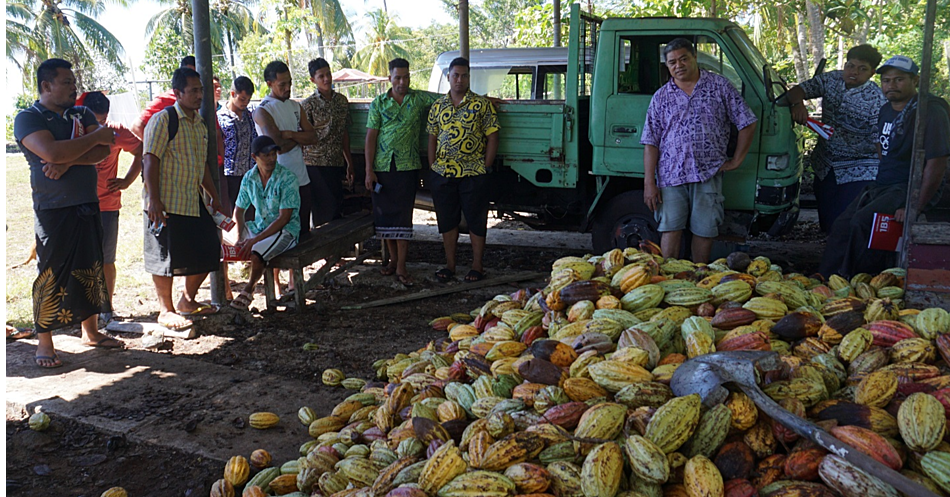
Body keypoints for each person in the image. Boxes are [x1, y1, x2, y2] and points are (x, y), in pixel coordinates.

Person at [14, 58, 123, 368]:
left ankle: (91, 332)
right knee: (52, 273)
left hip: (87, 202)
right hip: (53, 207)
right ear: (46, 86)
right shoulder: (28, 117)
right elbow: (52, 152)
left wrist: (69, 161)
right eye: (67, 83)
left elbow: (105, 150)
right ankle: (45, 342)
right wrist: (87, 142)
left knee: (90, 268)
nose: (74, 88)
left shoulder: (82, 112)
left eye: (74, 83)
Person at [819, 55, 950, 277]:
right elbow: (882, 147)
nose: (891, 86)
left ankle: (857, 281)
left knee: (863, 223)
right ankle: (825, 277)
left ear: (915, 80)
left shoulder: (930, 112)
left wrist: (915, 205)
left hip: (907, 186)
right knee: (842, 224)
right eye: (886, 80)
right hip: (883, 184)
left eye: (899, 80)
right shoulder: (886, 110)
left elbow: (937, 164)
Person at [641, 38, 758, 263]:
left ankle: (699, 278)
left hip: (708, 173)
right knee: (670, 228)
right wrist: (649, 183)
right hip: (671, 176)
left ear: (695, 57)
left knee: (704, 230)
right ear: (667, 66)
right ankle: (668, 277)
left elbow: (747, 121)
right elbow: (651, 142)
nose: (678, 65)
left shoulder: (719, 86)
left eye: (684, 59)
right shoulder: (661, 97)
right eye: (672, 62)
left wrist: (736, 161)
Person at [142, 67, 225, 331]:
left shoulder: (200, 123)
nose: (199, 95)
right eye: (194, 91)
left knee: (211, 250)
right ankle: (165, 310)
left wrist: (214, 196)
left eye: (201, 90)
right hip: (166, 200)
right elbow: (150, 159)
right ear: (178, 93)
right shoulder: (163, 120)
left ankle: (187, 300)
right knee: (163, 256)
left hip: (193, 198)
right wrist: (153, 200)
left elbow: (202, 167)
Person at [785, 44, 887, 232]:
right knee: (828, 220)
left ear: (872, 73)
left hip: (859, 168)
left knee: (848, 222)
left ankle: (848, 259)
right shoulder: (831, 79)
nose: (854, 72)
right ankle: (829, 256)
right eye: (850, 66)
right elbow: (797, 91)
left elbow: (878, 142)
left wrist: (887, 176)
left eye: (862, 69)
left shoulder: (877, 99)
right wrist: (798, 103)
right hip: (826, 164)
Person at [365, 58, 442, 286]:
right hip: (382, 168)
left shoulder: (418, 99)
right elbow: (371, 137)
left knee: (403, 218)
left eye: (406, 77)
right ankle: (392, 260)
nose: (402, 82)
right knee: (386, 219)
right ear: (389, 78)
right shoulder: (378, 103)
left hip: (407, 168)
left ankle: (401, 266)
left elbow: (447, 99)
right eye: (397, 77)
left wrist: (481, 100)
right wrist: (369, 170)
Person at [427, 57, 500, 283]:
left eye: (464, 75)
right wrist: (433, 166)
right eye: (455, 75)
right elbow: (431, 137)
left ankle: (477, 266)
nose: (459, 79)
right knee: (447, 221)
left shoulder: (481, 105)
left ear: (469, 77)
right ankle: (450, 265)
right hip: (443, 174)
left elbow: (493, 136)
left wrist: (485, 166)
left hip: (473, 174)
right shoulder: (438, 106)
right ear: (448, 77)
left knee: (476, 221)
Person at [82, 91, 144, 325]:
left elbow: (140, 151)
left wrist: (127, 181)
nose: (99, 125)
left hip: (107, 205)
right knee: (82, 259)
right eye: (94, 120)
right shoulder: (73, 131)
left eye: (102, 120)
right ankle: (83, 310)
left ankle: (106, 307)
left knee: (106, 259)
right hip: (78, 203)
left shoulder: (115, 131)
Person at [229, 136, 301, 310]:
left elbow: (284, 218)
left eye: (273, 154)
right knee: (220, 241)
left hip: (285, 231)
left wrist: (253, 240)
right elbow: (239, 210)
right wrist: (238, 236)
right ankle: (224, 291)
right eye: (266, 155)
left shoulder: (287, 178)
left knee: (256, 253)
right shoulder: (249, 177)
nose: (271, 158)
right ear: (254, 157)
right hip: (260, 226)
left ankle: (249, 289)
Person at [254, 60, 316, 241]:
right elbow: (278, 147)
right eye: (282, 84)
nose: (287, 87)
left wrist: (289, 134)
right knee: (279, 233)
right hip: (278, 181)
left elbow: (313, 137)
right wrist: (299, 137)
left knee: (304, 232)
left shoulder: (296, 106)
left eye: (289, 83)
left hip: (301, 177)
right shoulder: (263, 110)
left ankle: (297, 271)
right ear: (269, 84)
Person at [302, 58, 355, 227]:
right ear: (313, 80)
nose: (326, 79)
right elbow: (303, 137)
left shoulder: (341, 101)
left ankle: (336, 251)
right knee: (322, 212)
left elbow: (343, 133)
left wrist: (349, 163)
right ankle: (325, 252)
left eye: (328, 74)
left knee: (337, 208)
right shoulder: (308, 105)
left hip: (335, 162)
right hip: (314, 164)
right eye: (321, 76)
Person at [217, 76, 258, 214]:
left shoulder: (251, 114)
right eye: (242, 99)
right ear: (233, 94)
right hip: (231, 174)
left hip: (251, 173)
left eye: (248, 99)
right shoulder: (220, 117)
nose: (245, 103)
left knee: (252, 213)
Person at [131, 55, 196, 139]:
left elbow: (217, 134)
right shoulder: (167, 99)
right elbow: (136, 126)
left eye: (196, 76)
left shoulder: (205, 102)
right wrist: (153, 149)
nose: (194, 80)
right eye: (189, 76)